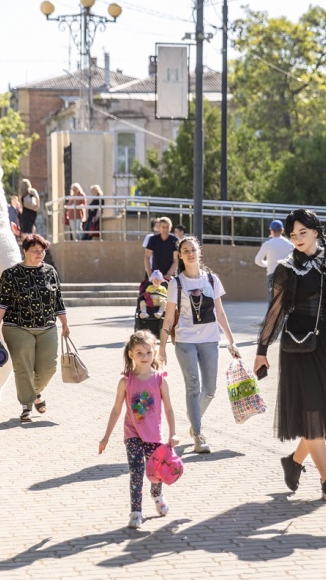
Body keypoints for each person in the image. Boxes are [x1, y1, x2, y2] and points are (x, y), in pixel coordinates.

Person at [253, 208, 326, 503]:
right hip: (298, 346)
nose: (297, 239)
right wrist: (262, 350)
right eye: (293, 235)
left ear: (316, 232)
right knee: (313, 412)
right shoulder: (286, 268)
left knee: (323, 414)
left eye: (303, 233)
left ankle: (293, 461)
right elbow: (275, 311)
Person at [157, 235, 240, 454]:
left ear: (199, 252)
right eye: (185, 250)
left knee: (210, 390)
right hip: (186, 341)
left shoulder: (211, 280)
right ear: (180, 256)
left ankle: (194, 417)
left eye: (193, 249)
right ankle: (198, 434)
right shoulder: (176, 283)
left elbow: (220, 313)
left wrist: (232, 341)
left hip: (210, 340)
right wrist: (162, 347)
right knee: (193, 387)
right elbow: (168, 318)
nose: (190, 253)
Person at [99, 330, 180, 529]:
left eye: (148, 352)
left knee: (155, 473)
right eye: (139, 353)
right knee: (136, 471)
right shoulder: (126, 381)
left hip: (155, 436)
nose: (144, 357)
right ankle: (136, 511)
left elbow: (169, 408)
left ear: (154, 352)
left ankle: (157, 494)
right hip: (133, 434)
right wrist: (106, 437)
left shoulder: (160, 379)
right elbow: (117, 409)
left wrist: (173, 433)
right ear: (131, 354)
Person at [0, 234, 69, 423]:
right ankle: (26, 406)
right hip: (17, 327)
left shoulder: (50, 271)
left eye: (42, 251)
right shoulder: (11, 274)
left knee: (49, 367)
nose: (40, 254)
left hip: (47, 327)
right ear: (24, 251)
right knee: (23, 367)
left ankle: (35, 393)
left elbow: (58, 299)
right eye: (35, 251)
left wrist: (65, 323)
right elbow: (2, 303)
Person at [254, 219, 294, 302]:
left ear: (271, 230)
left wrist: (267, 264)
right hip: (286, 276)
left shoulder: (267, 244)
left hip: (272, 275)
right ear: (282, 230)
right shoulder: (290, 244)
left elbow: (257, 260)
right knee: (285, 302)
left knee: (272, 303)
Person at [143, 217, 179, 282]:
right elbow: (147, 257)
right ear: (159, 227)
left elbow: (176, 259)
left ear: (171, 227)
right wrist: (150, 275)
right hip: (155, 274)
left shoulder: (174, 240)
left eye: (167, 227)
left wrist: (168, 274)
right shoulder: (153, 239)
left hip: (170, 274)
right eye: (163, 227)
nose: (165, 229)